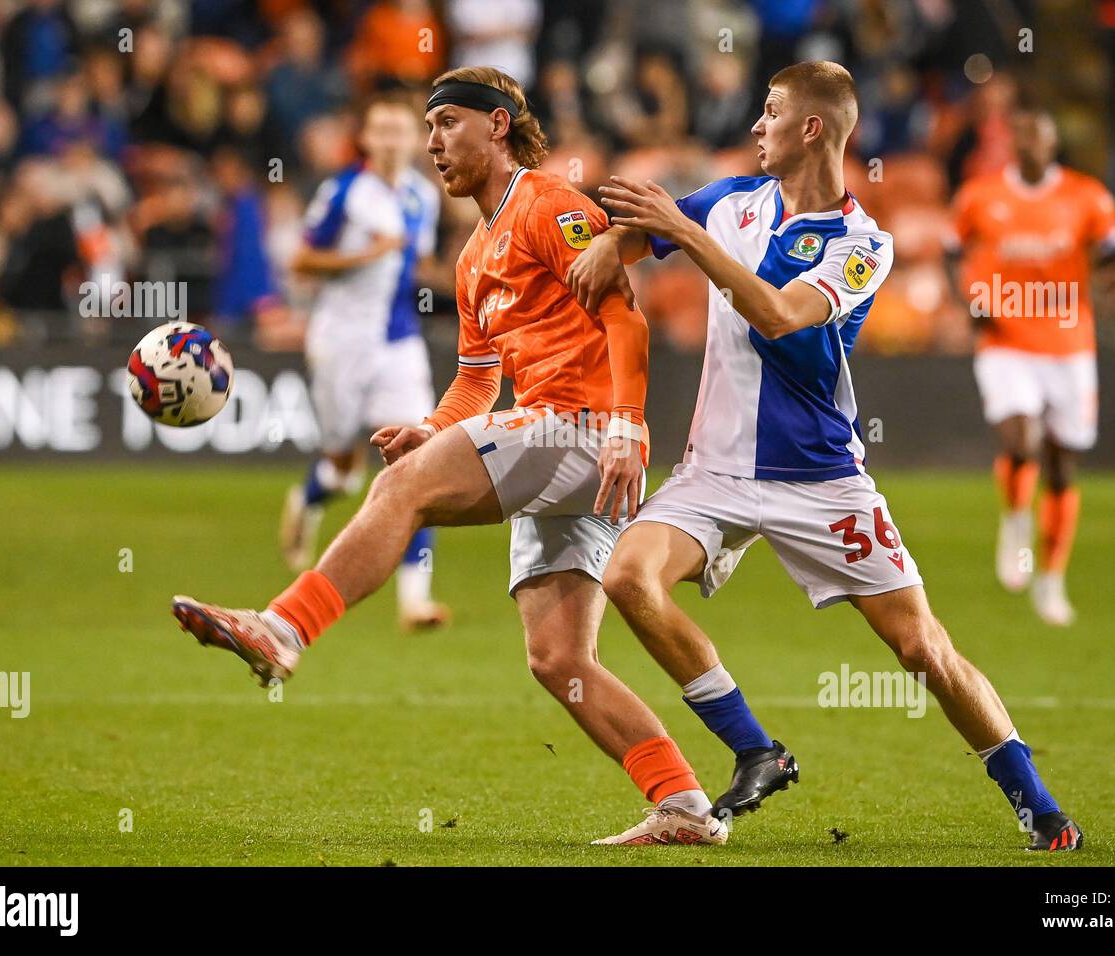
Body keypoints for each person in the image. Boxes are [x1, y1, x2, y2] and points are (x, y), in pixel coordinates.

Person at [172, 67, 730, 847]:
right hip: (562, 445)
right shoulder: (472, 258)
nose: (433, 143)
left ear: (498, 126)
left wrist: (626, 427)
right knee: (558, 659)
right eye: (428, 129)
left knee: (400, 491)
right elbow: (476, 379)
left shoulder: (549, 205)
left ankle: (283, 629)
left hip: (581, 429)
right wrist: (433, 430)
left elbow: (624, 319)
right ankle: (684, 805)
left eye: (447, 124)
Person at [569, 61, 1085, 851]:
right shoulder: (732, 202)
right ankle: (756, 749)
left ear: (812, 128)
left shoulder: (861, 244)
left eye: (771, 111)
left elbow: (779, 315)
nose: (756, 125)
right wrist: (614, 243)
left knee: (921, 648)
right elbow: (643, 232)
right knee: (628, 578)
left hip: (820, 479)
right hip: (713, 471)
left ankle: (1039, 808)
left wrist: (685, 234)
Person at [945, 106, 1115, 625]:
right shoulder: (980, 195)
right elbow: (951, 251)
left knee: (1061, 466)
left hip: (1069, 346)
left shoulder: (1087, 196)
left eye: (1037, 136)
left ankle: (1051, 579)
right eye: (1021, 135)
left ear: (1053, 143)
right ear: (1012, 143)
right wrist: (967, 301)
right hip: (1005, 339)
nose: (1028, 143)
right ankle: (1015, 520)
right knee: (1019, 440)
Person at [279, 93, 450, 631]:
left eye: (403, 131)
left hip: (399, 341)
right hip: (342, 340)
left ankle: (415, 601)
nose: (393, 141)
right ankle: (308, 499)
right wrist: (365, 255)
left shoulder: (425, 195)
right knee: (343, 468)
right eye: (383, 131)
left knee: (418, 461)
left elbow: (419, 263)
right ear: (368, 139)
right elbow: (302, 260)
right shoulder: (344, 192)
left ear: (417, 139)